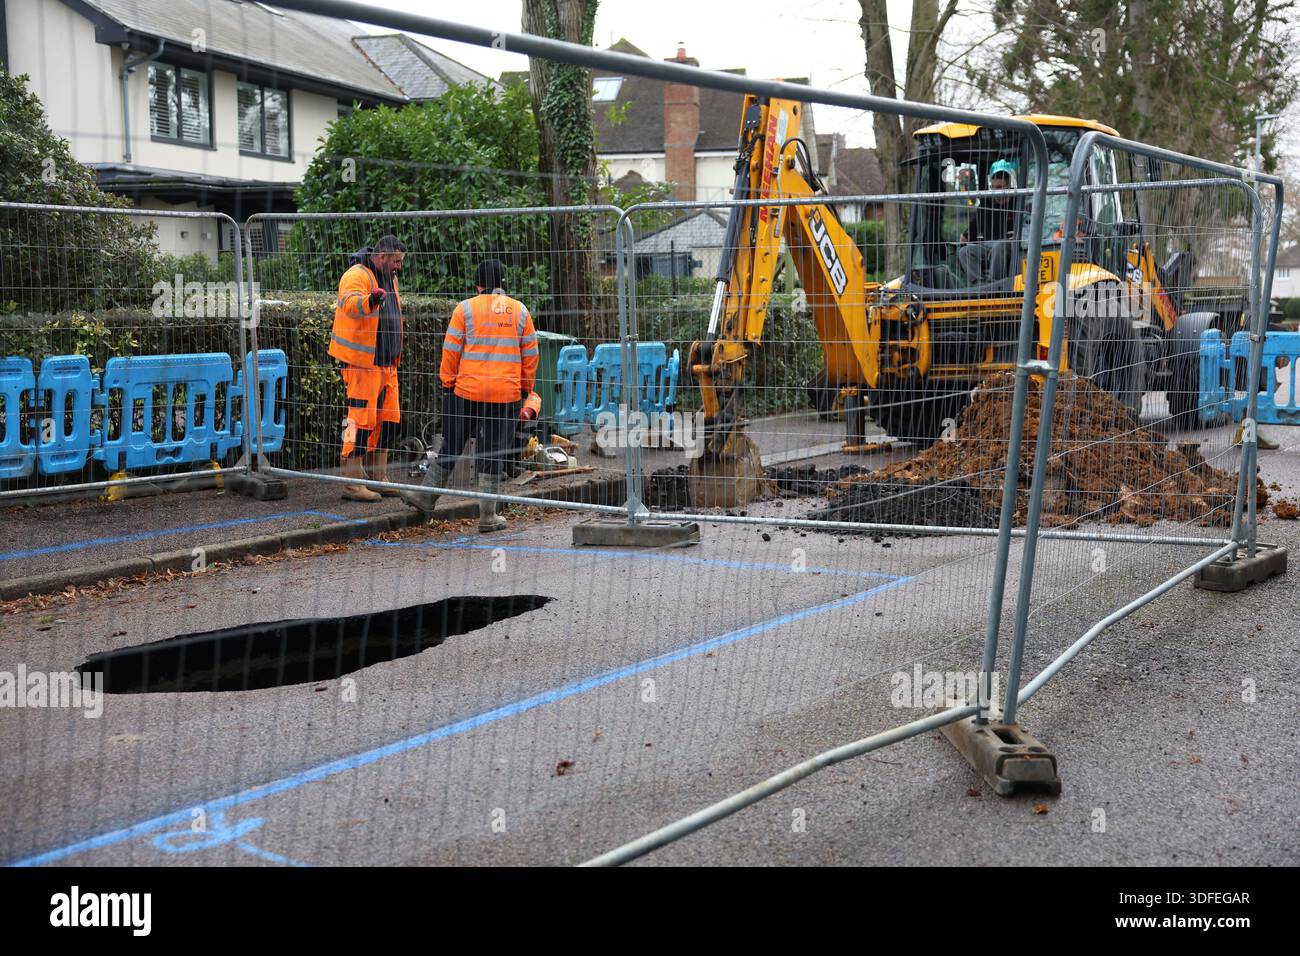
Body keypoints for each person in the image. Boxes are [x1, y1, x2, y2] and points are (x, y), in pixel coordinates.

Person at [401, 259, 538, 531]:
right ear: (502, 284)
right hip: (505, 394)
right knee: (492, 452)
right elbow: (530, 356)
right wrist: (524, 389)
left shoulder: (464, 309)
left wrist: (447, 383)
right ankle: (488, 516)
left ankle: (426, 497)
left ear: (478, 284)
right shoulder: (520, 312)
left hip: (466, 391)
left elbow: (451, 350)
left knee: (452, 444)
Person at [330, 234, 406, 501]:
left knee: (387, 420)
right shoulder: (357, 274)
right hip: (363, 364)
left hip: (386, 363)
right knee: (359, 421)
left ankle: (378, 477)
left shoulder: (389, 278)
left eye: (400, 261)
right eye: (395, 261)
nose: (398, 266)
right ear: (382, 256)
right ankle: (352, 483)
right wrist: (371, 300)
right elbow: (351, 305)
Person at [958, 159, 1018, 284]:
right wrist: (965, 235)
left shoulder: (1018, 203)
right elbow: (973, 226)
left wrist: (1020, 233)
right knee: (964, 252)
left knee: (999, 246)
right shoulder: (986, 203)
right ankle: (980, 285)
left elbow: (1029, 224)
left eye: (1000, 187)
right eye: (994, 187)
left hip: (1010, 245)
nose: (996, 191)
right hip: (986, 246)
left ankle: (994, 284)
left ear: (1008, 186)